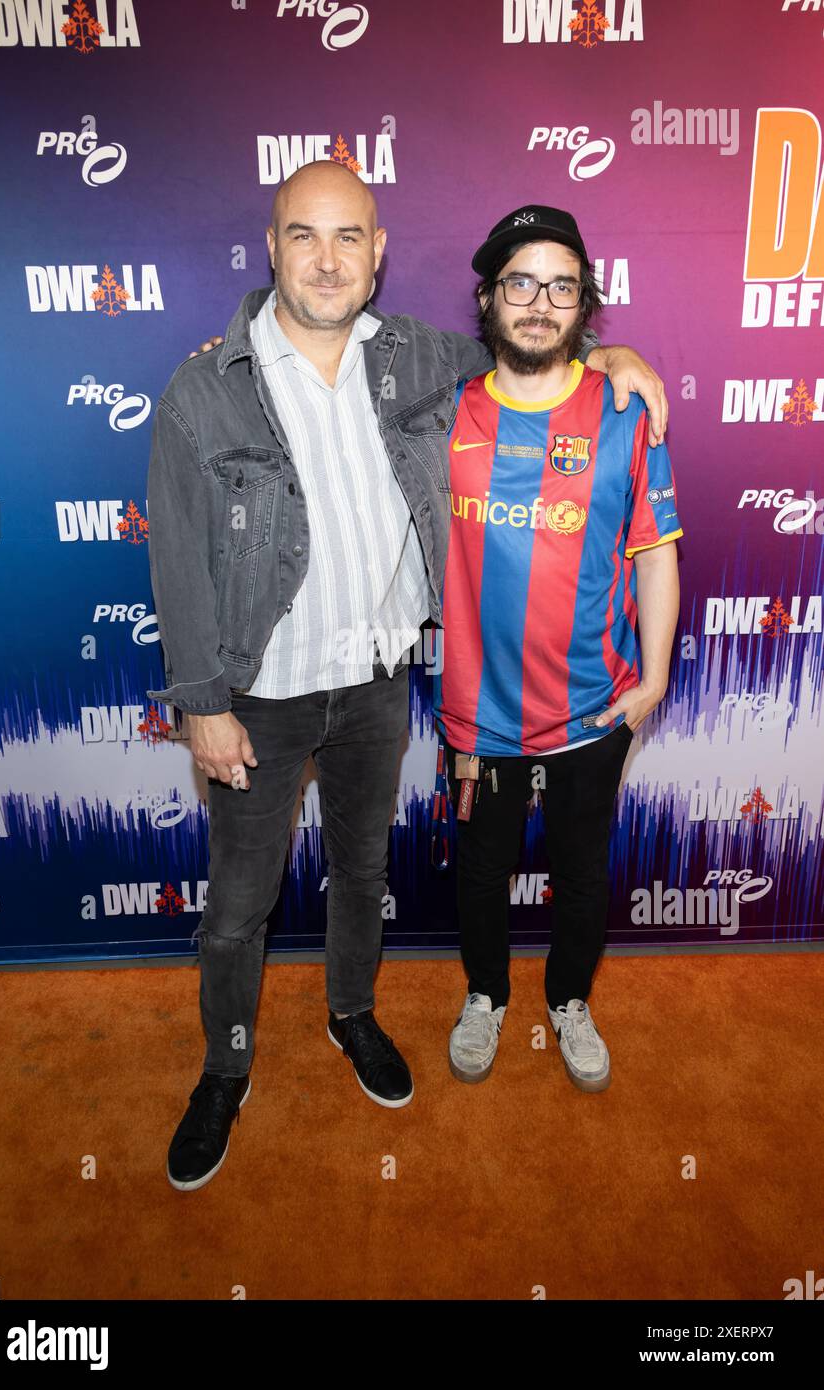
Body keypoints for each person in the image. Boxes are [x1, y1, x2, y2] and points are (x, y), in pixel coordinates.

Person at [148, 162, 668, 1190]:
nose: (329, 260)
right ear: (272, 246)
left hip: (380, 684)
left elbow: (529, 341)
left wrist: (613, 348)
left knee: (364, 875)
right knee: (237, 907)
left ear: (380, 253)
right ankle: (226, 1069)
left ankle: (351, 1015)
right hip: (262, 693)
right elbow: (177, 552)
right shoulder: (206, 388)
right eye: (306, 235)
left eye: (350, 237)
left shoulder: (416, 361)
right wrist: (203, 702)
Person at [434, 205, 682, 1093]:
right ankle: (485, 995)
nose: (538, 303)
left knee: (582, 873)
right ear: (488, 297)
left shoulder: (623, 410)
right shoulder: (442, 414)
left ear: (586, 305)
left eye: (560, 286)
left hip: (594, 708)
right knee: (481, 873)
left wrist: (652, 679)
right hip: (477, 716)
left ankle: (569, 998)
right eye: (519, 283)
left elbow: (654, 553)